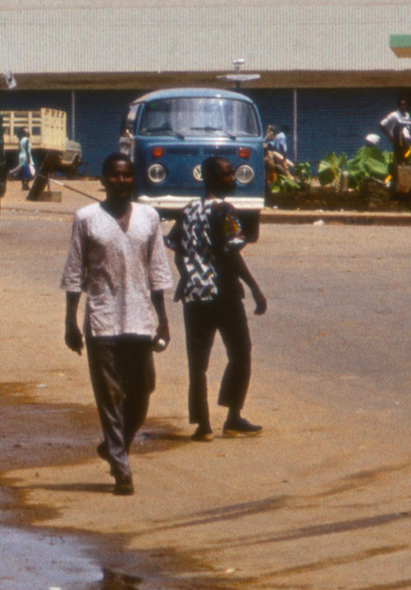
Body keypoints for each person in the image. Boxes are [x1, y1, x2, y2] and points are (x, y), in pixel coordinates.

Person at [61, 153, 174, 495]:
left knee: (142, 390)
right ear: (103, 180)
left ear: (133, 178)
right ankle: (122, 469)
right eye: (114, 175)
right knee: (109, 396)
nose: (121, 181)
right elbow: (74, 272)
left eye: (126, 175)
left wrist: (163, 320)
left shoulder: (149, 217)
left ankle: (114, 446)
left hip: (140, 319)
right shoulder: (86, 218)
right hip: (102, 320)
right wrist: (70, 322)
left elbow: (158, 271)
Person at [169, 156, 268, 440]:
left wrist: (189, 276)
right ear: (212, 178)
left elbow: (176, 248)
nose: (233, 179)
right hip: (223, 293)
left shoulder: (188, 210)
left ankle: (203, 425)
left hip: (194, 295)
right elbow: (232, 255)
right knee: (240, 352)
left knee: (197, 363)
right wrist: (254, 288)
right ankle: (233, 416)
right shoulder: (225, 211)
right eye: (227, 175)